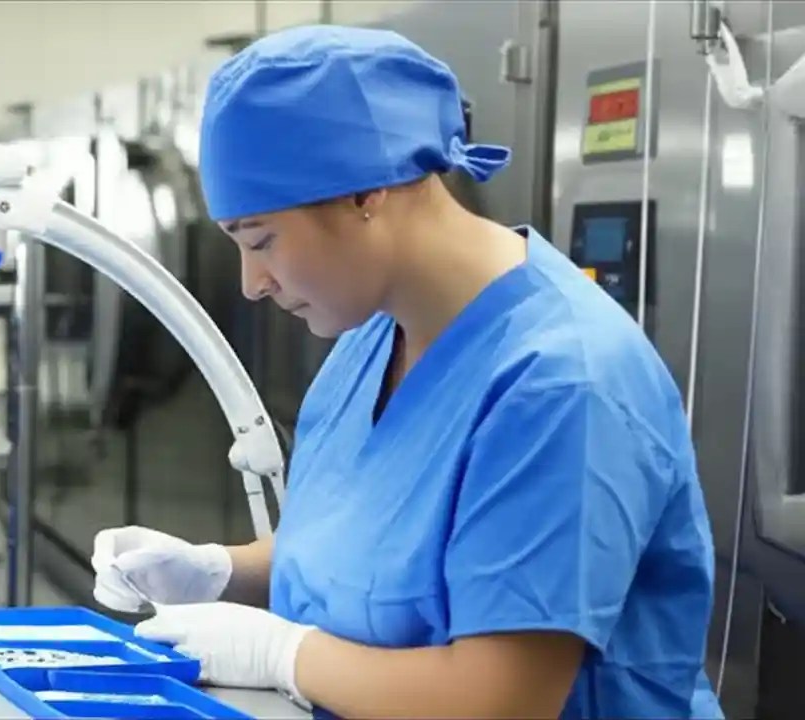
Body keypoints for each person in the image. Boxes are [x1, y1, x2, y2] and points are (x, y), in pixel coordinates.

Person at [90, 25, 723, 720]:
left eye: (263, 240)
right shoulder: (372, 339)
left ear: (366, 193)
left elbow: (500, 700)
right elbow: (375, 561)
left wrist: (281, 654)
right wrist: (220, 571)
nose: (251, 284)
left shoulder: (561, 385)